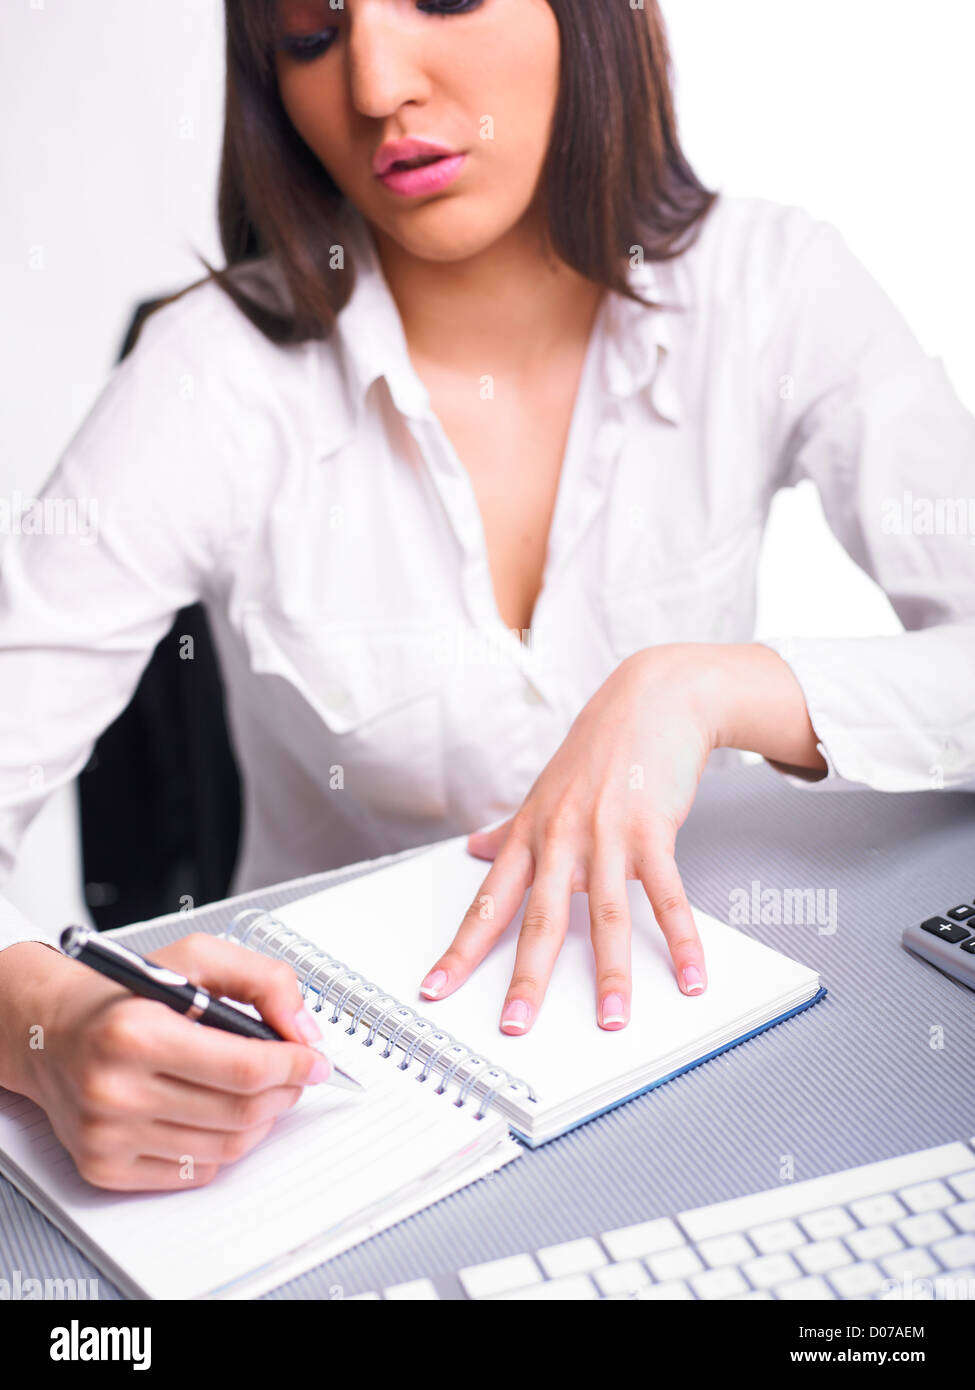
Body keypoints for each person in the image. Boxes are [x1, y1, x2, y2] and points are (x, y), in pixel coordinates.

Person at [1, 0, 972, 1191]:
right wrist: (34, 1016)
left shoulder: (772, 289)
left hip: (698, 1055)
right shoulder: (212, 379)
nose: (373, 83)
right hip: (339, 1122)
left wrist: (713, 684)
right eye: (310, 31)